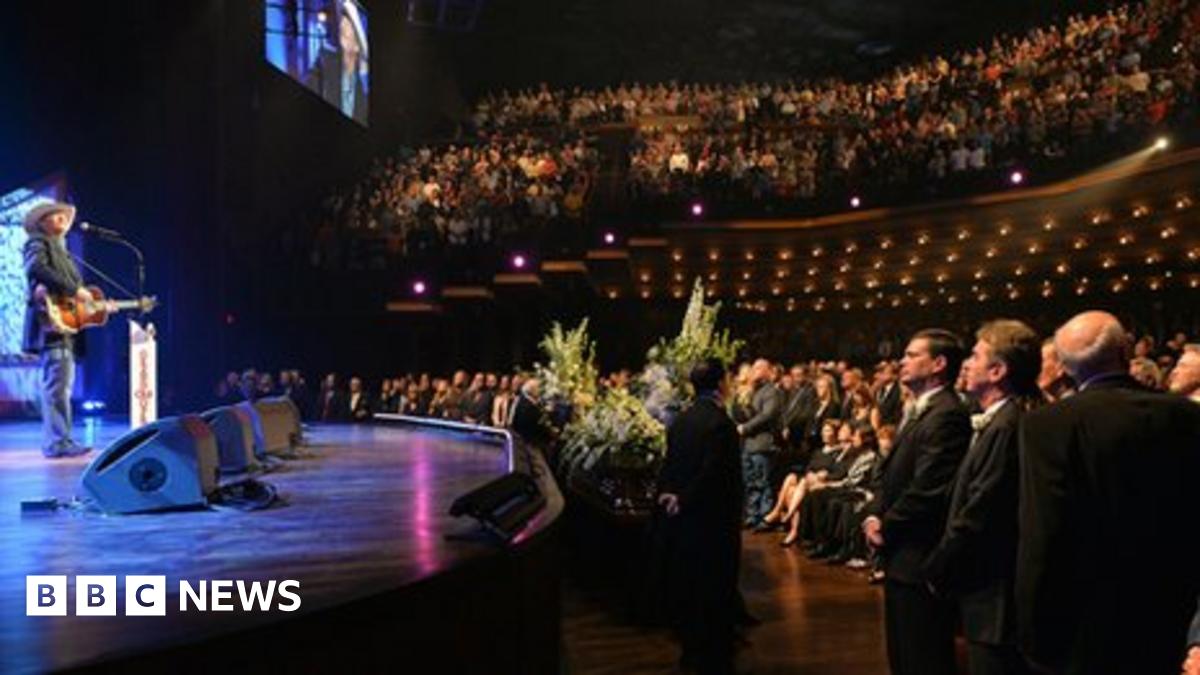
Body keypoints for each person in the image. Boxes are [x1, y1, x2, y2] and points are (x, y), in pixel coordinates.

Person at [1017, 311, 1200, 675]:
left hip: (1085, 616)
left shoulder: (1047, 424)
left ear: (1066, 368)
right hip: (1172, 605)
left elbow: (1044, 531)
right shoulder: (1185, 414)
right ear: (1126, 351)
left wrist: (1032, 627)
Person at [923, 320, 1041, 675]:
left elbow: (980, 512)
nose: (966, 364)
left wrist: (937, 567)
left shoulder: (1007, 425)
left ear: (998, 371)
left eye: (975, 356)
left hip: (995, 598)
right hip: (984, 593)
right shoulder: (999, 419)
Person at [862, 328, 971, 675]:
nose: (902, 361)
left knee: (923, 656)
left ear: (938, 364)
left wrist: (887, 523)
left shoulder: (947, 413)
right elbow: (890, 472)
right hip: (900, 552)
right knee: (904, 652)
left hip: (919, 554)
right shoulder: (921, 409)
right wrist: (872, 515)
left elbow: (929, 487)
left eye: (912, 355)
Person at [657, 358, 743, 675]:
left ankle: (691, 649)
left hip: (683, 519)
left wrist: (669, 494)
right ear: (721, 383)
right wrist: (686, 497)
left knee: (690, 585)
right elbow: (715, 475)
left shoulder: (681, 420)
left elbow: (671, 463)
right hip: (714, 521)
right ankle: (714, 655)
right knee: (715, 588)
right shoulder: (721, 424)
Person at [22, 201, 91, 458]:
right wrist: (75, 290)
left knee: (63, 384)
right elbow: (36, 268)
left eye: (64, 215)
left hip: (64, 324)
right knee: (57, 385)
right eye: (55, 215)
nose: (62, 218)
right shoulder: (38, 243)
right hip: (50, 324)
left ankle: (62, 439)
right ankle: (56, 442)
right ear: (43, 222)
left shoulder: (63, 251)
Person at [738, 358, 783, 527]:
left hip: (762, 443)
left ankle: (764, 516)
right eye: (753, 368)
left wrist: (746, 427)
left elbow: (768, 415)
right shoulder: (754, 391)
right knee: (750, 482)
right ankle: (752, 515)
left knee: (763, 482)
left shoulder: (771, 391)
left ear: (767, 371)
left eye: (758, 368)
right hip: (749, 444)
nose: (754, 371)